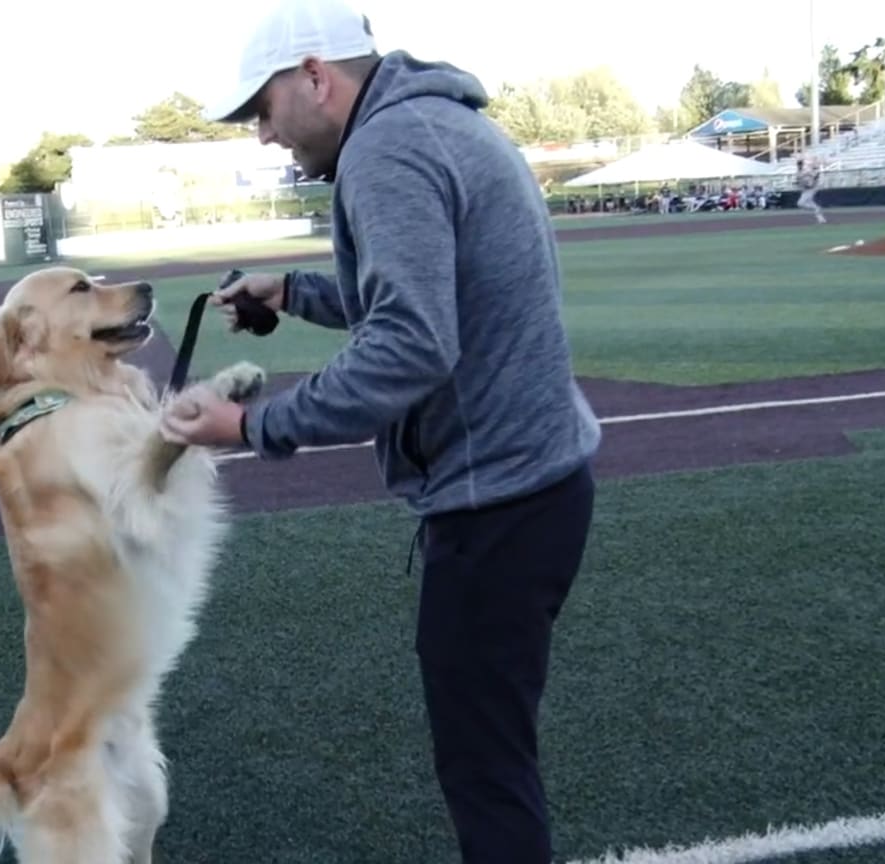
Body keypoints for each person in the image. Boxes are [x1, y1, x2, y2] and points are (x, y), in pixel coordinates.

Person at [159, 1, 602, 861]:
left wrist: (251, 424)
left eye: (261, 108)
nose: (262, 134)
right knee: (492, 754)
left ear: (317, 76)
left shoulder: (387, 150)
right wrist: (294, 292)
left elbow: (412, 345)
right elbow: (424, 297)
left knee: (486, 772)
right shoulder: (428, 121)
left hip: (497, 503)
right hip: (530, 488)